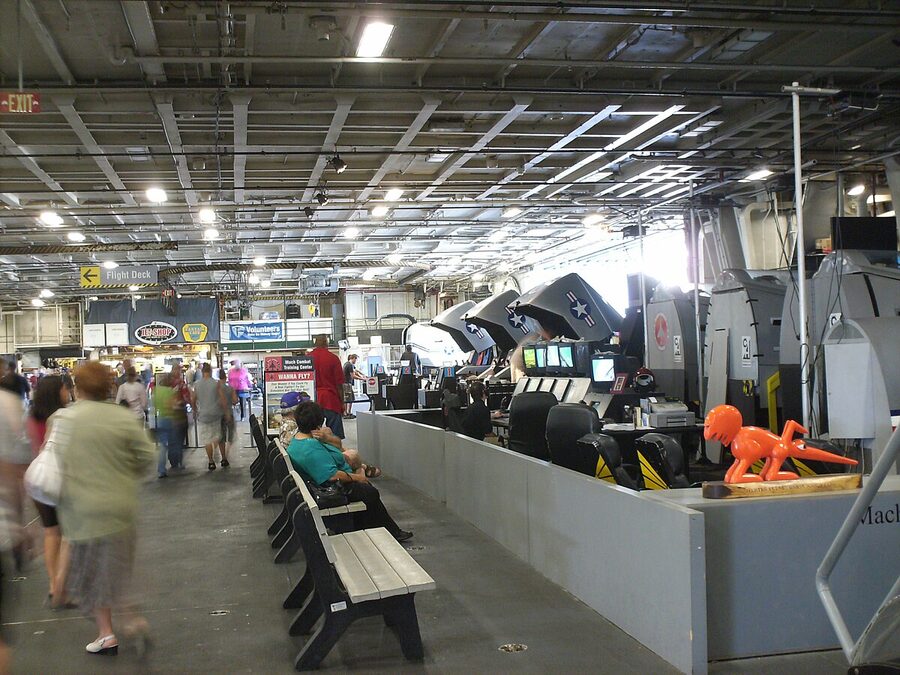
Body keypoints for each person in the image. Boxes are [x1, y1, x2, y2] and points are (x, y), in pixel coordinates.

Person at [53, 361, 155, 656]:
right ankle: (133, 620)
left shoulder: (65, 419)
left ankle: (107, 634)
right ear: (109, 386)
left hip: (81, 513)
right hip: (121, 509)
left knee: (93, 576)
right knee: (118, 571)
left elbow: (55, 463)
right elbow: (147, 456)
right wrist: (125, 474)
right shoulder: (121, 418)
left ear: (77, 387)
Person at [287, 401, 410, 542]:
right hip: (328, 489)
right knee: (369, 492)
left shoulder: (300, 440)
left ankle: (388, 530)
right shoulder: (310, 449)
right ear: (318, 423)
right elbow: (332, 476)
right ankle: (388, 532)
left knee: (366, 490)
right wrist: (358, 477)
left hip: (319, 484)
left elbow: (336, 449)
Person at [25, 375, 74, 608]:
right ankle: (61, 587)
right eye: (66, 388)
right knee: (68, 534)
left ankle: (54, 585)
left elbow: (37, 446)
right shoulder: (63, 417)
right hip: (59, 479)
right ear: (59, 391)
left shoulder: (33, 417)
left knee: (51, 533)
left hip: (38, 477)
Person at [191, 364, 231, 471]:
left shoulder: (197, 384)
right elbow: (223, 399)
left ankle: (211, 462)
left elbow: (193, 399)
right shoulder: (216, 383)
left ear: (202, 371)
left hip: (203, 416)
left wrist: (194, 411)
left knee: (207, 439)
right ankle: (223, 458)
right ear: (211, 371)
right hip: (216, 415)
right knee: (219, 437)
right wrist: (226, 412)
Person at [309, 335, 346, 439]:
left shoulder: (308, 358)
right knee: (335, 435)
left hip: (313, 399)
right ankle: (335, 452)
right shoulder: (333, 358)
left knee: (313, 432)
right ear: (327, 343)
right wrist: (342, 402)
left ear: (315, 343)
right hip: (331, 399)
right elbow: (339, 384)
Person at [218, 369, 238, 463]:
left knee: (221, 437)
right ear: (225, 378)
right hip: (229, 414)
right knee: (230, 436)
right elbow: (235, 401)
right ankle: (226, 454)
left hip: (218, 415)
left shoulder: (216, 389)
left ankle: (223, 457)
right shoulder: (230, 388)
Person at [342, 354, 365, 419]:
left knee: (349, 398)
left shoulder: (348, 364)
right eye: (355, 359)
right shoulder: (349, 365)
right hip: (346, 384)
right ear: (353, 358)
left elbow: (356, 371)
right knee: (348, 399)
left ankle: (347, 412)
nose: (356, 361)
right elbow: (353, 376)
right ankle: (347, 413)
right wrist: (362, 379)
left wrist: (362, 374)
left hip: (346, 383)